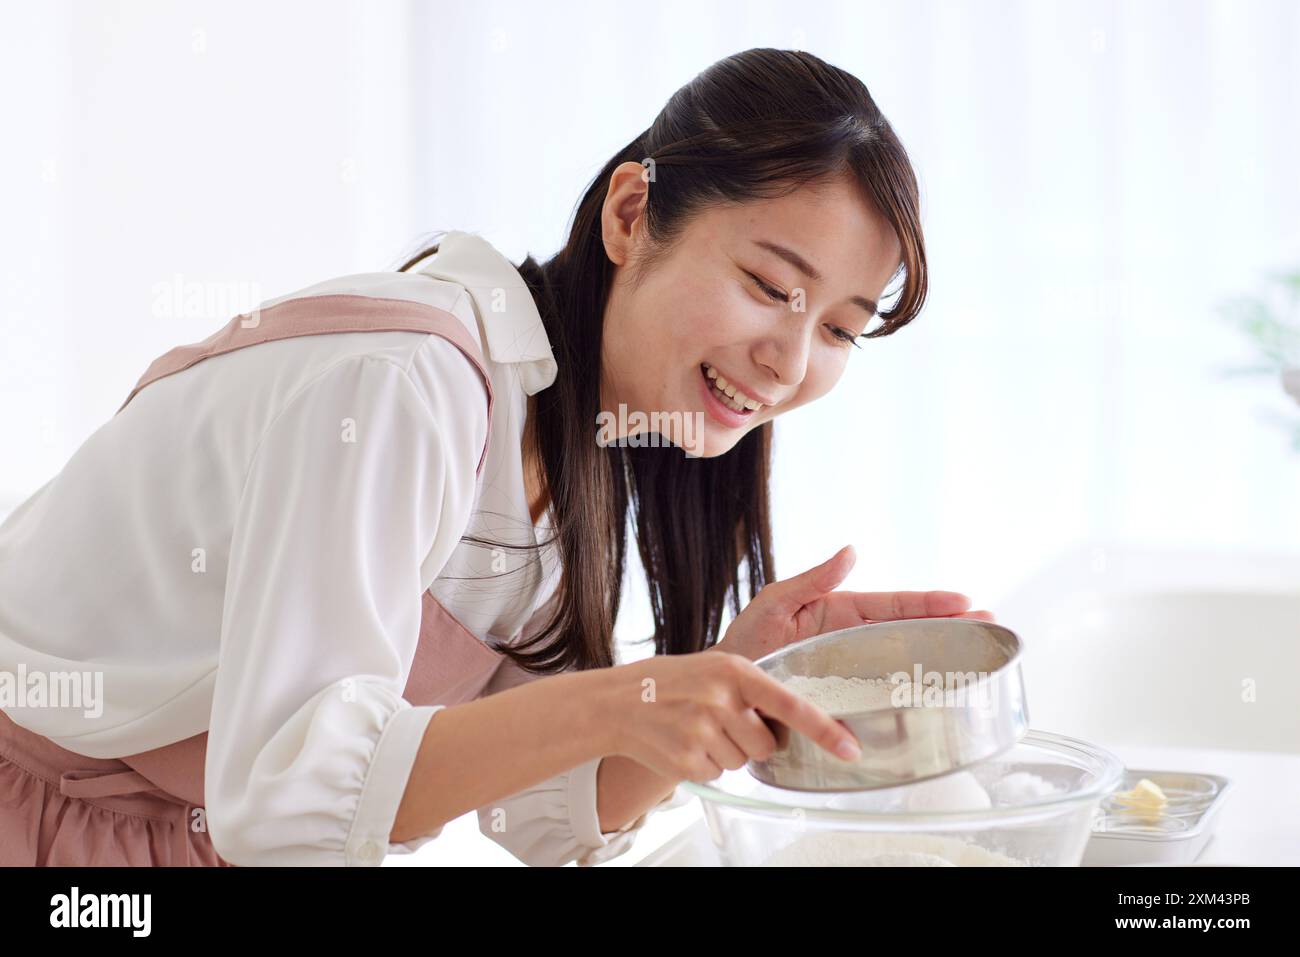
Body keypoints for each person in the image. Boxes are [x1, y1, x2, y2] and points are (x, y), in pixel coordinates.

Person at [0, 47, 992, 867]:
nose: (788, 361)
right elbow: (287, 796)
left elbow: (540, 808)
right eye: (771, 285)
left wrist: (728, 679)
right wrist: (633, 695)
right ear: (630, 215)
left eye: (838, 329)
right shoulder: (405, 384)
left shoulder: (584, 445)